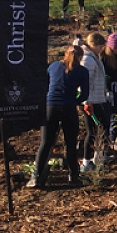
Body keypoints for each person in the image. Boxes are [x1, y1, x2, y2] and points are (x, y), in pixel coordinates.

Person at [27, 45, 89, 189]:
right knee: (70, 143)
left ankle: (36, 177)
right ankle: (73, 176)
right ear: (80, 58)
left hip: (50, 107)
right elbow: (85, 94)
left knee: (46, 143)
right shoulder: (82, 71)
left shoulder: (54, 66)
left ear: (65, 54)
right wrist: (75, 100)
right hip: (68, 108)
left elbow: (45, 84)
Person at [78, 32, 111, 173]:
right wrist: (87, 101)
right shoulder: (87, 60)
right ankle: (86, 162)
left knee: (101, 129)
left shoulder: (93, 58)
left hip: (96, 99)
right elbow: (84, 83)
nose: (101, 50)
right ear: (93, 45)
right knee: (92, 132)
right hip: (90, 102)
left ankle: (98, 158)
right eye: (100, 47)